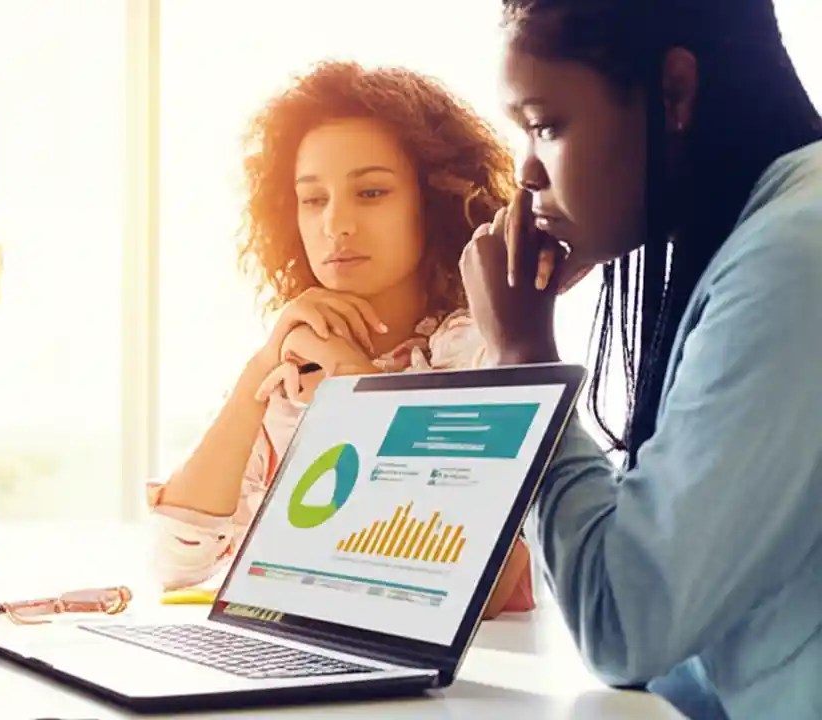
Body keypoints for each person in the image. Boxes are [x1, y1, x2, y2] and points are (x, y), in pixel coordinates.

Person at [461, 0, 822, 716]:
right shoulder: (772, 228)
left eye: (545, 124)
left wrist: (524, 361)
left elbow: (626, 626)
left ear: (674, 93)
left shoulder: (791, 256)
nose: (525, 174)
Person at [149, 61, 536, 618]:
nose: (336, 225)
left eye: (371, 192)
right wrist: (255, 376)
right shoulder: (290, 366)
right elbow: (176, 564)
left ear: (432, 201)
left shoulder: (483, 351)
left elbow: (481, 582)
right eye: (313, 199)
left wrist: (357, 384)